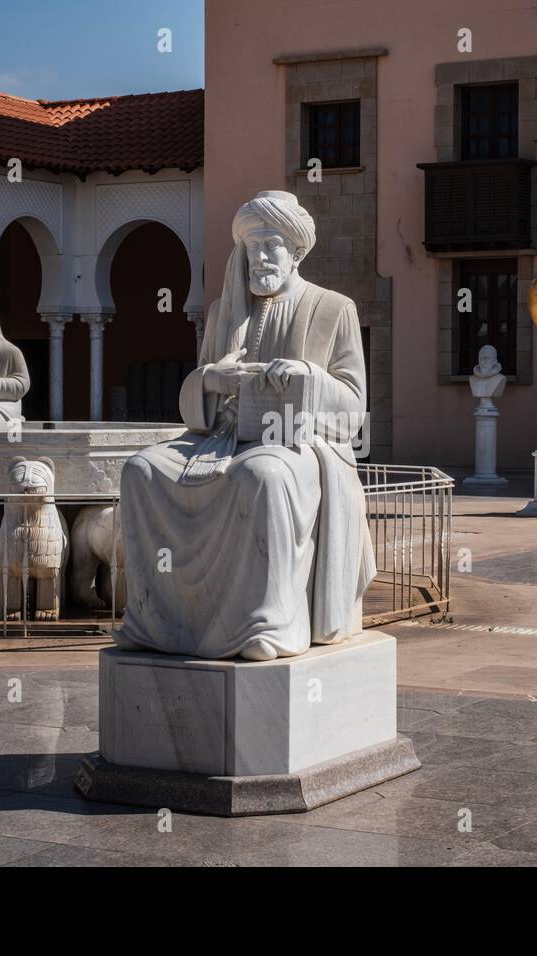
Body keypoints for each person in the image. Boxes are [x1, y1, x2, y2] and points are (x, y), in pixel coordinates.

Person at [117, 190, 375, 660]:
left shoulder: (334, 309)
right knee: (141, 469)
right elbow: (195, 400)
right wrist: (213, 377)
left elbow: (353, 412)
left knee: (264, 476)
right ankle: (154, 615)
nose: (258, 256)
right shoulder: (223, 314)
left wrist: (309, 377)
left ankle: (269, 622)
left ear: (296, 251)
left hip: (296, 442)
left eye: (270, 244)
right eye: (251, 245)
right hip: (220, 439)